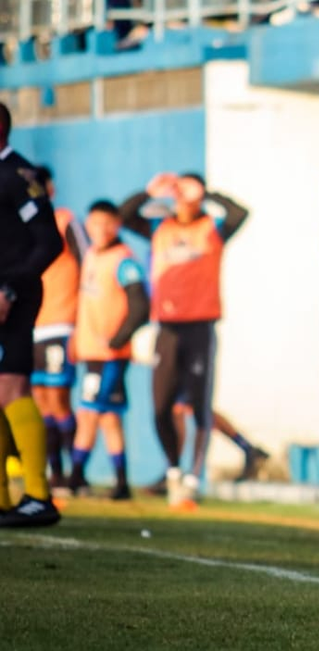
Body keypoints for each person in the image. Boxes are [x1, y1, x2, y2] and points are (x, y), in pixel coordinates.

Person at [121, 172, 249, 508]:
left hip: (200, 327)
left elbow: (239, 213)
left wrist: (208, 193)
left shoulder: (213, 228)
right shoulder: (160, 228)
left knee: (198, 404)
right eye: (180, 194)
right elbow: (124, 216)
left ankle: (192, 480)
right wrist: (151, 191)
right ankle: (174, 469)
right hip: (167, 328)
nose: (184, 199)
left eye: (190, 193)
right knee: (161, 406)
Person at [0, 101, 64, 526]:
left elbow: (49, 242)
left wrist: (9, 287)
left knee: (13, 389)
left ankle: (39, 495)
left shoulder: (18, 176)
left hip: (15, 297)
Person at [66, 200, 149, 500]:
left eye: (107, 223)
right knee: (108, 417)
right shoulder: (90, 255)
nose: (100, 230)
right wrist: (77, 338)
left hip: (109, 356)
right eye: (95, 223)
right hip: (89, 352)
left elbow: (141, 306)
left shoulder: (124, 261)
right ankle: (122, 483)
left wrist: (117, 339)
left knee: (88, 412)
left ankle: (75, 476)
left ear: (116, 225)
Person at [30, 165, 86, 491]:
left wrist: (81, 322)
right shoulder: (21, 226)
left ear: (50, 188)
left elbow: (87, 262)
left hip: (61, 323)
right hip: (31, 325)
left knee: (59, 398)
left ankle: (75, 473)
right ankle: (56, 473)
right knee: (39, 401)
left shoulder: (64, 220)